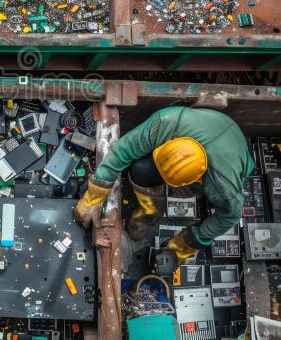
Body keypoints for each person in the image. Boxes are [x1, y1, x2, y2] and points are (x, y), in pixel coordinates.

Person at [74, 106, 254, 264]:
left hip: (232, 154)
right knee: (141, 170)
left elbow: (230, 216)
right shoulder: (167, 122)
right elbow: (122, 151)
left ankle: (149, 216)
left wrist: (189, 242)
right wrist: (92, 198)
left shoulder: (223, 185)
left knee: (217, 201)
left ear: (195, 181)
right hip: (211, 127)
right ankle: (148, 212)